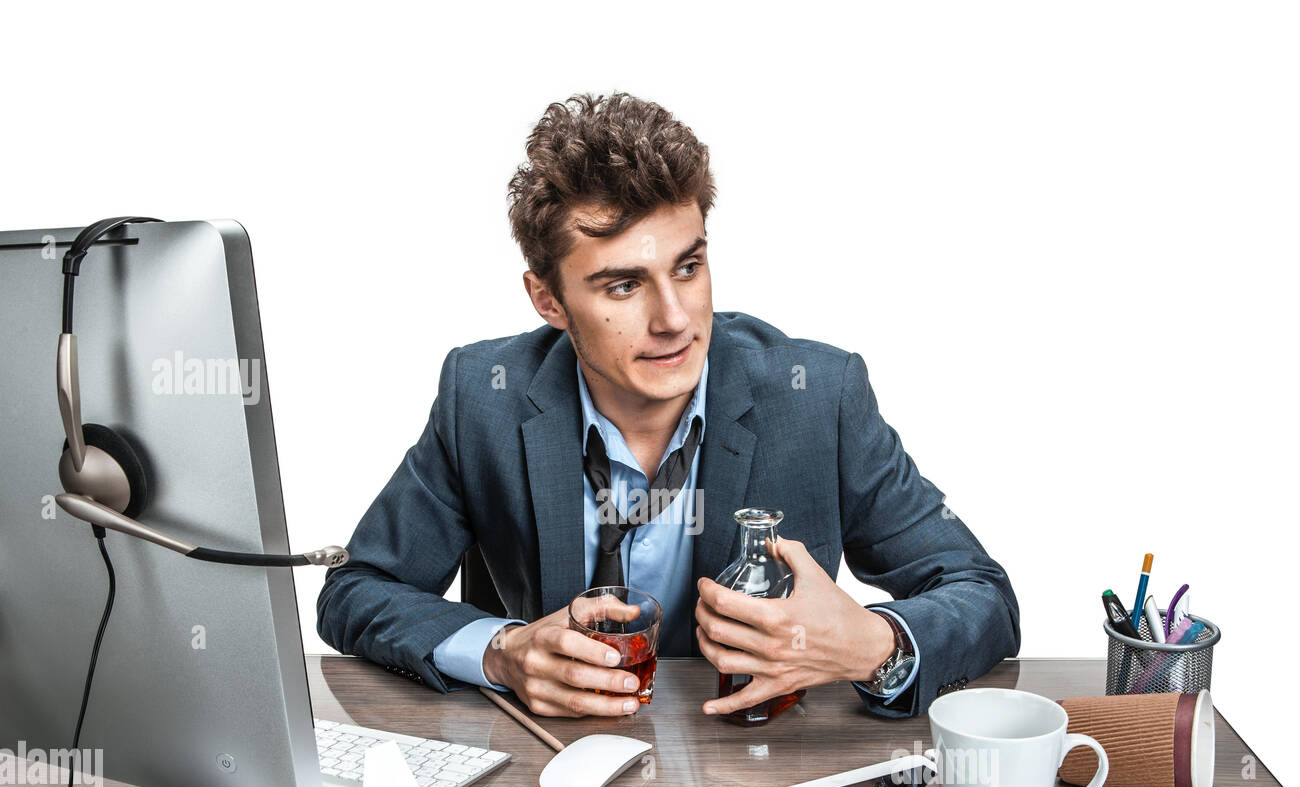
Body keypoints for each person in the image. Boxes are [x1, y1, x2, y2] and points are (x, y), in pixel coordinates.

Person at [317, 91, 1019, 720]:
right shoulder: (483, 395)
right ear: (548, 300)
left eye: (688, 266)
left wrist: (874, 643)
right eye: (623, 286)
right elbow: (357, 590)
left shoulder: (820, 397)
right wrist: (499, 649)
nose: (676, 319)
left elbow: (984, 595)